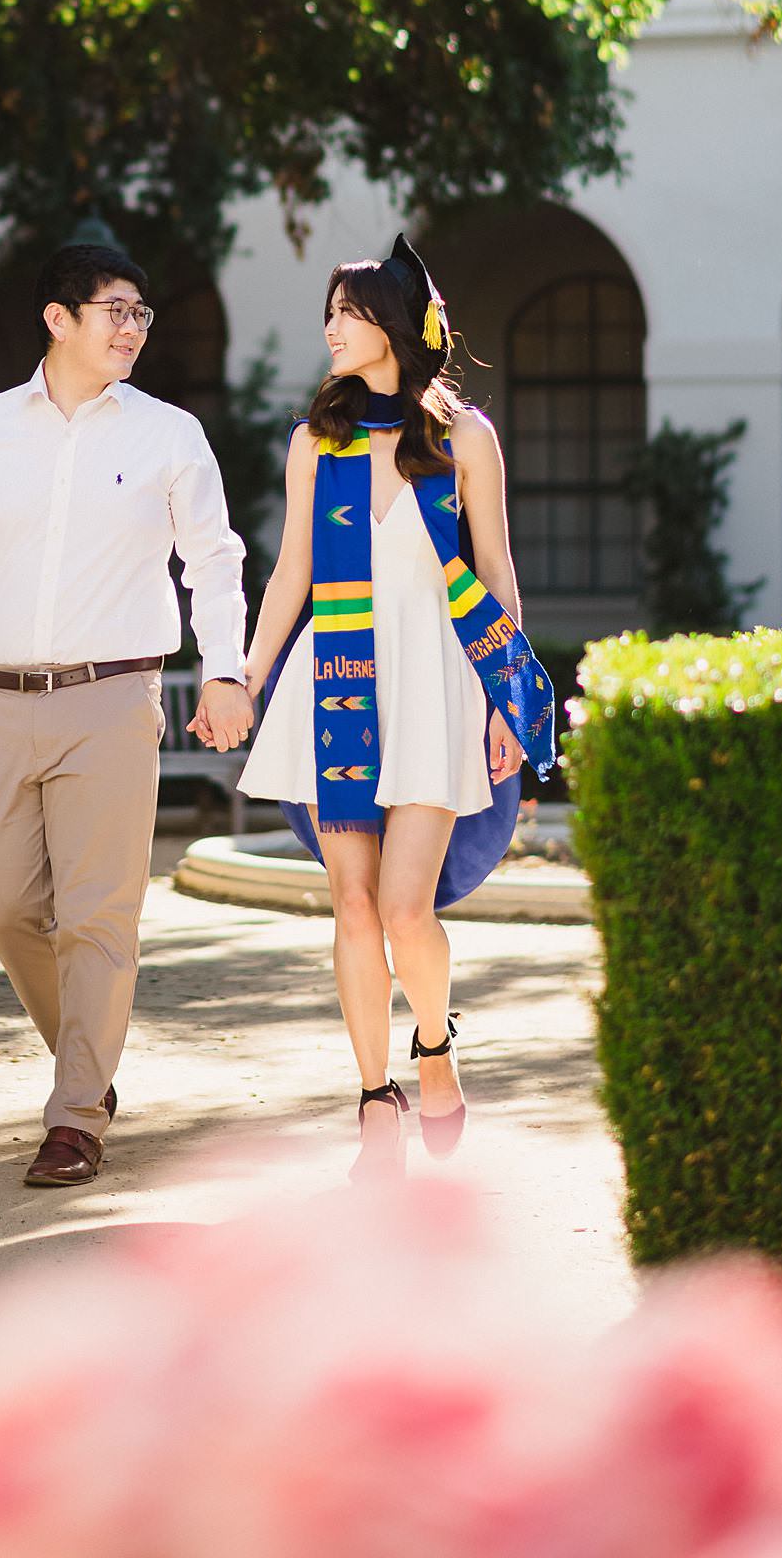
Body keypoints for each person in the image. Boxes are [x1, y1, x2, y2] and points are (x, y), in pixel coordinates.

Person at [0, 240, 252, 1188]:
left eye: (142, 314)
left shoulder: (168, 434)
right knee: (4, 898)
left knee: (99, 918)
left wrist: (225, 671)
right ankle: (84, 1060)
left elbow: (213, 560)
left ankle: (78, 1112)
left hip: (112, 699)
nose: (133, 328)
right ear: (58, 319)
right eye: (115, 311)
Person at [237, 235, 555, 1169]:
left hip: (435, 684)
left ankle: (433, 1047)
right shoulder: (315, 440)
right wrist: (245, 678)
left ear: (391, 327)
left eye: (346, 313)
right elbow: (290, 570)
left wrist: (506, 700)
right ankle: (375, 1098)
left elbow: (496, 573)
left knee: (405, 910)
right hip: (336, 680)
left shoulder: (463, 440)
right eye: (328, 315)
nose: (330, 329)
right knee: (352, 906)